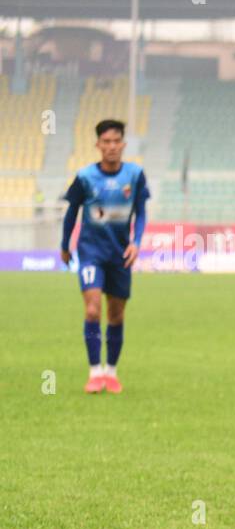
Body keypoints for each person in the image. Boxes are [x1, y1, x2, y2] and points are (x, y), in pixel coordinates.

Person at [61, 118, 150, 394]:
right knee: (92, 309)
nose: (111, 147)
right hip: (91, 252)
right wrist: (65, 245)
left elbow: (142, 211)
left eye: (116, 141)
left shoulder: (135, 175)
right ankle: (94, 371)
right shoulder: (86, 177)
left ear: (123, 144)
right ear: (98, 145)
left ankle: (111, 372)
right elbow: (71, 212)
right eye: (106, 142)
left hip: (120, 254)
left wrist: (136, 242)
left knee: (116, 314)